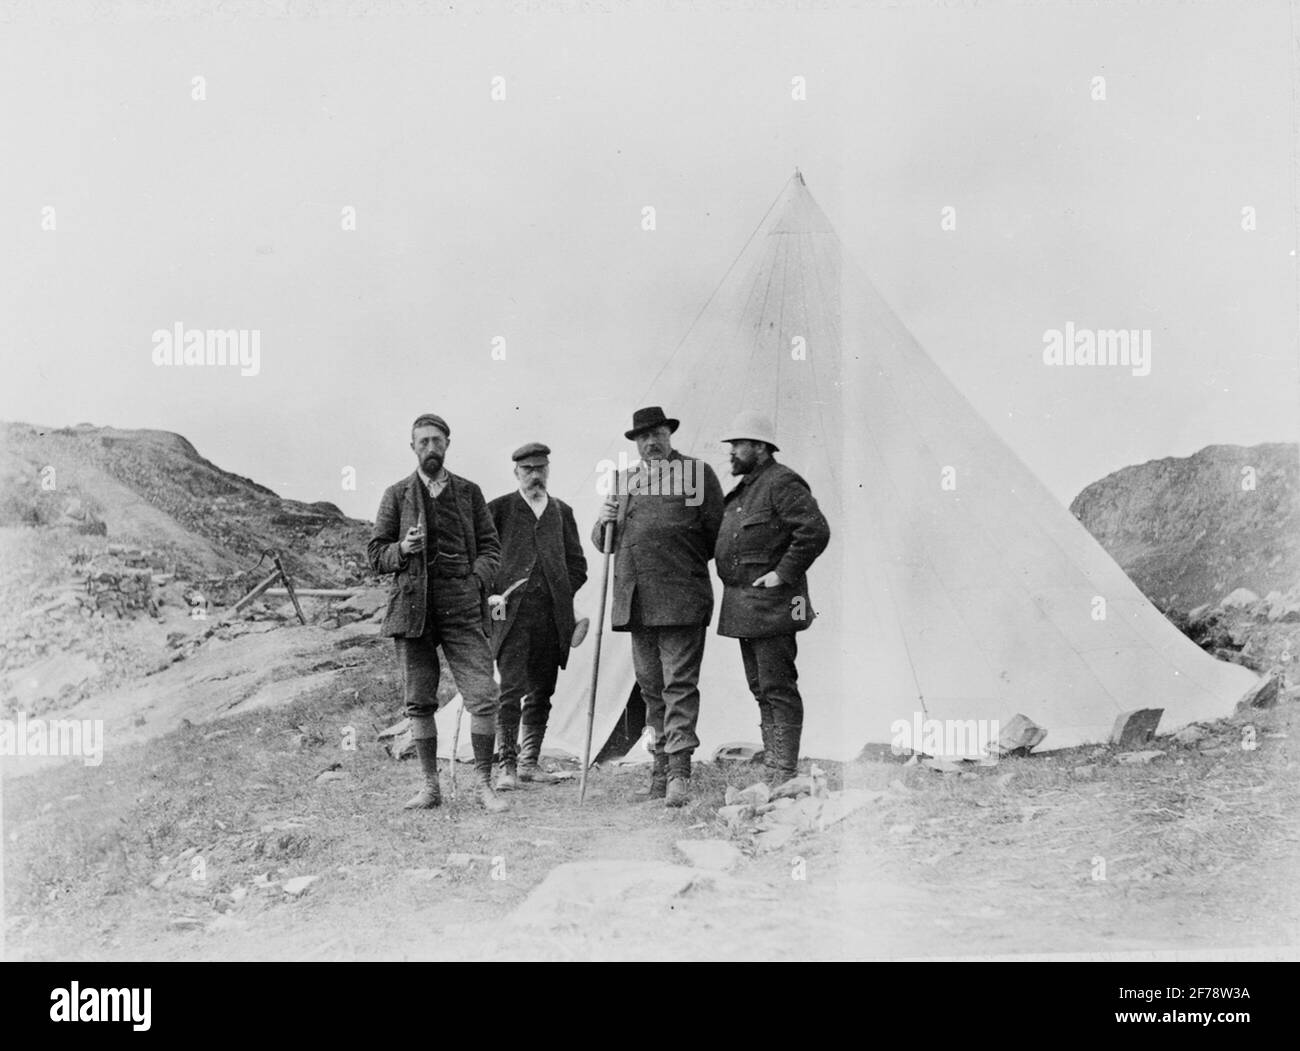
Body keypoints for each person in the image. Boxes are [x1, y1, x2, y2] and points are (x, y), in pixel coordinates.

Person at [367, 413, 507, 813]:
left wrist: (475, 581)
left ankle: (484, 785)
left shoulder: (469, 492)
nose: (431, 448)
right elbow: (376, 554)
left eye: (437, 441)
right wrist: (403, 550)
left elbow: (491, 548)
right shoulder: (397, 495)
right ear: (412, 447)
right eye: (423, 442)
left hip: (462, 608)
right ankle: (430, 788)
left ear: (448, 444)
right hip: (414, 611)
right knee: (419, 701)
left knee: (482, 695)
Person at [594, 406, 724, 807]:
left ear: (670, 434)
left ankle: (680, 774)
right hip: (636, 602)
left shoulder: (696, 475)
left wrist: (678, 562)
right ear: (635, 443)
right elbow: (605, 543)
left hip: (680, 597)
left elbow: (717, 535)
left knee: (678, 685)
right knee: (651, 688)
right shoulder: (624, 481)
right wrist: (604, 520)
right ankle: (659, 772)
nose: (651, 442)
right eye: (643, 437)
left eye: (658, 434)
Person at [714, 411, 830, 785]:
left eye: (738, 445)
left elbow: (814, 530)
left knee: (778, 685)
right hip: (744, 607)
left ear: (760, 448)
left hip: (774, 606)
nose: (731, 452)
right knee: (760, 686)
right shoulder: (746, 489)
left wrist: (782, 574)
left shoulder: (781, 482)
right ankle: (775, 767)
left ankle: (784, 770)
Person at [487, 442, 588, 790]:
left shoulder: (562, 512)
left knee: (542, 691)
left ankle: (530, 762)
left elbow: (578, 566)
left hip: (551, 620)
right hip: (511, 619)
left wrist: (561, 595)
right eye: (527, 469)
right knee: (510, 689)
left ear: (548, 471)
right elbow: (485, 565)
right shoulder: (497, 510)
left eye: (540, 468)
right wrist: (494, 608)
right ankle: (507, 766)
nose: (534, 475)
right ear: (516, 472)